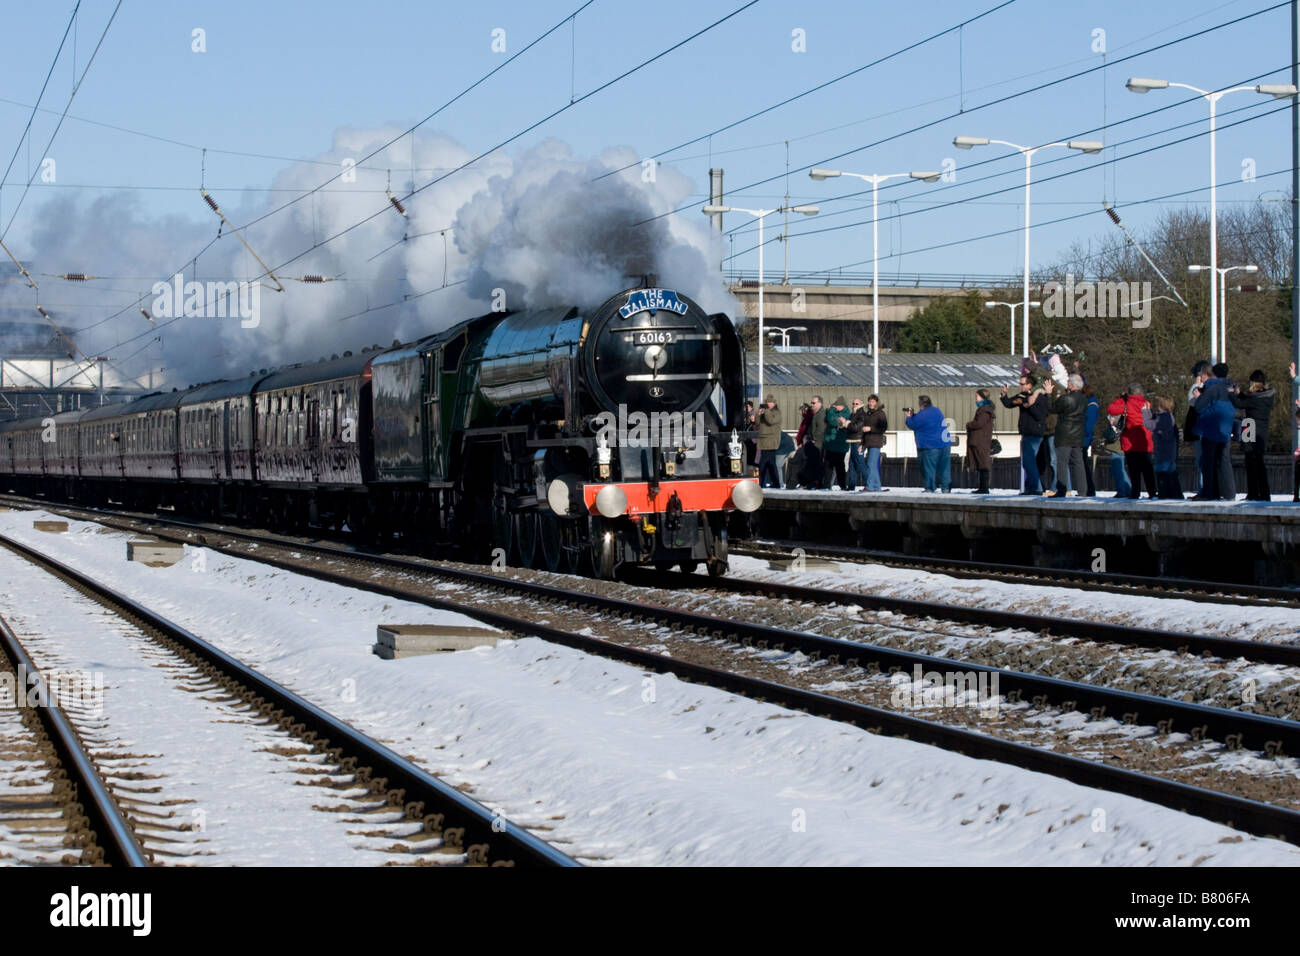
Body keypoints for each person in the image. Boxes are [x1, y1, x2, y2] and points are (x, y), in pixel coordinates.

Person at [1190, 360, 1237, 500]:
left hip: (1211, 428)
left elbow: (1199, 406)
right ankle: (1229, 492)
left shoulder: (1212, 388)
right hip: (1227, 429)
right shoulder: (1233, 387)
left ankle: (1210, 491)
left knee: (1208, 461)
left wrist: (1198, 397)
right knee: (1224, 461)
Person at [1000, 375, 1047, 494]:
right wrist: (1004, 395)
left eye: (1022, 384)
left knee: (1029, 462)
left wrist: (1029, 404)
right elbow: (1010, 403)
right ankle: (1031, 487)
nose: (1020, 386)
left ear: (1030, 385)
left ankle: (1036, 488)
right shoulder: (1022, 396)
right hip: (1026, 432)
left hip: (1034, 433)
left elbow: (1040, 415)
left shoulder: (1039, 397)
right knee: (1027, 463)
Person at [1107, 383, 1156, 499]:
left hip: (1131, 441)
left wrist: (1121, 398)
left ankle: (1135, 492)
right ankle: (1152, 491)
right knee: (1147, 469)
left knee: (1134, 470)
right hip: (1146, 440)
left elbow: (1111, 409)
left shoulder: (1126, 403)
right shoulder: (1147, 403)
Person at [1234, 369, 1276, 501]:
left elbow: (1240, 404)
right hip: (1259, 429)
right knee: (1258, 461)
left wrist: (1232, 394)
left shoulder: (1255, 398)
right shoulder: (1266, 396)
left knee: (1251, 461)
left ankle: (1254, 492)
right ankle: (1263, 493)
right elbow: (1247, 402)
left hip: (1250, 426)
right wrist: (1240, 394)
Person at [1042, 374, 1087, 497]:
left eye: (1068, 383)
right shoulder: (1084, 399)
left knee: (1062, 463)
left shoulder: (1066, 399)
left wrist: (1049, 394)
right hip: (1078, 434)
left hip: (1064, 434)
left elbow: (1051, 408)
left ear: (1071, 385)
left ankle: (1062, 490)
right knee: (1079, 463)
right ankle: (1083, 491)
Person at [905, 395, 951, 493]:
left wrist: (909, 417)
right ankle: (946, 487)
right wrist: (915, 415)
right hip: (945, 444)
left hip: (930, 446)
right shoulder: (937, 411)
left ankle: (930, 487)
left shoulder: (921, 415)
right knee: (944, 468)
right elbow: (927, 420)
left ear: (920, 405)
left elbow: (913, 424)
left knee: (929, 468)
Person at [1146, 396, 1184, 499]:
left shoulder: (1164, 417)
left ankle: (1164, 493)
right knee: (1171, 473)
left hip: (1164, 451)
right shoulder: (1168, 416)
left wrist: (1145, 412)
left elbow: (1150, 425)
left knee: (1162, 472)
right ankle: (1175, 494)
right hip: (1168, 451)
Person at [965, 388, 995, 494]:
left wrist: (970, 424)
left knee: (983, 464)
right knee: (980, 464)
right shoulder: (984, 410)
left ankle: (984, 487)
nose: (976, 399)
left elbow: (979, 423)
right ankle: (982, 487)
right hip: (979, 440)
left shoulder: (985, 410)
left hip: (980, 441)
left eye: (977, 396)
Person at [823, 396, 851, 490]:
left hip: (840, 445)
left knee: (839, 466)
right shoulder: (836, 412)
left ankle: (842, 485)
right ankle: (826, 485)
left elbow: (832, 421)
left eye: (837, 405)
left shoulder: (846, 413)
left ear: (842, 405)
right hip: (830, 444)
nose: (835, 407)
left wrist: (830, 409)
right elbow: (833, 420)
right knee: (828, 466)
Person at [860, 394, 887, 492]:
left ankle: (870, 486)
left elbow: (883, 428)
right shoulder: (868, 414)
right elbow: (864, 431)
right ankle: (876, 486)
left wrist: (871, 428)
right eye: (869, 401)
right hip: (868, 442)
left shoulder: (880, 414)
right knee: (872, 465)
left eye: (872, 401)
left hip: (876, 442)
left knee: (870, 464)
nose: (870, 403)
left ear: (876, 402)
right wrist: (862, 444)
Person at [756, 395, 782, 489]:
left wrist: (766, 411)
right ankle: (776, 483)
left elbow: (770, 421)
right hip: (764, 441)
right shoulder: (765, 412)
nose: (766, 404)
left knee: (763, 463)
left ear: (773, 403)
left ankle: (761, 483)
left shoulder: (776, 413)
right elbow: (757, 423)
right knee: (771, 464)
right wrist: (758, 414)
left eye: (768, 403)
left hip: (770, 441)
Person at [845, 398, 869, 490]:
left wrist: (846, 423)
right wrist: (843, 424)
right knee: (852, 465)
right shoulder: (853, 414)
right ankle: (851, 485)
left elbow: (855, 428)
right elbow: (850, 427)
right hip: (852, 441)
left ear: (861, 404)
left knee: (860, 464)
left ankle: (868, 484)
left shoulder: (862, 415)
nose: (854, 405)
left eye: (856, 403)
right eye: (853, 403)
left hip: (858, 441)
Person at [804, 395, 828, 489]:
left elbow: (821, 429)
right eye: (811, 403)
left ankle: (817, 483)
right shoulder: (816, 414)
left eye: (814, 403)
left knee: (817, 464)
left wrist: (814, 439)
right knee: (813, 464)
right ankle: (813, 482)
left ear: (820, 404)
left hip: (818, 443)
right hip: (816, 442)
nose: (811, 405)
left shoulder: (821, 414)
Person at [1082, 384, 1100, 496]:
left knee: (1083, 465)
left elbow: (1089, 426)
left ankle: (1089, 488)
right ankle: (1087, 488)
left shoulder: (1091, 405)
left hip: (1084, 439)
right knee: (1083, 464)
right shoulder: (1090, 404)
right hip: (1084, 438)